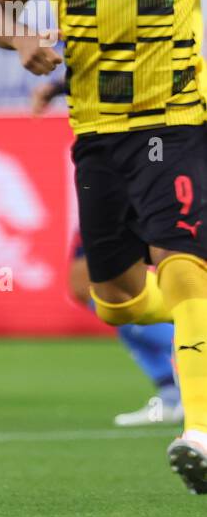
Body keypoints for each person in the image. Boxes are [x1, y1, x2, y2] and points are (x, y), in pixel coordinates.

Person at [0, 0, 207, 493]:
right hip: (97, 135)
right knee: (108, 291)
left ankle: (198, 428)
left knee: (184, 261)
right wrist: (22, 44)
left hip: (176, 122)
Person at [32, 78, 182, 426]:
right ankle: (171, 390)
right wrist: (59, 84)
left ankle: (188, 365)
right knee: (92, 286)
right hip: (103, 150)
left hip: (154, 145)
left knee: (178, 269)